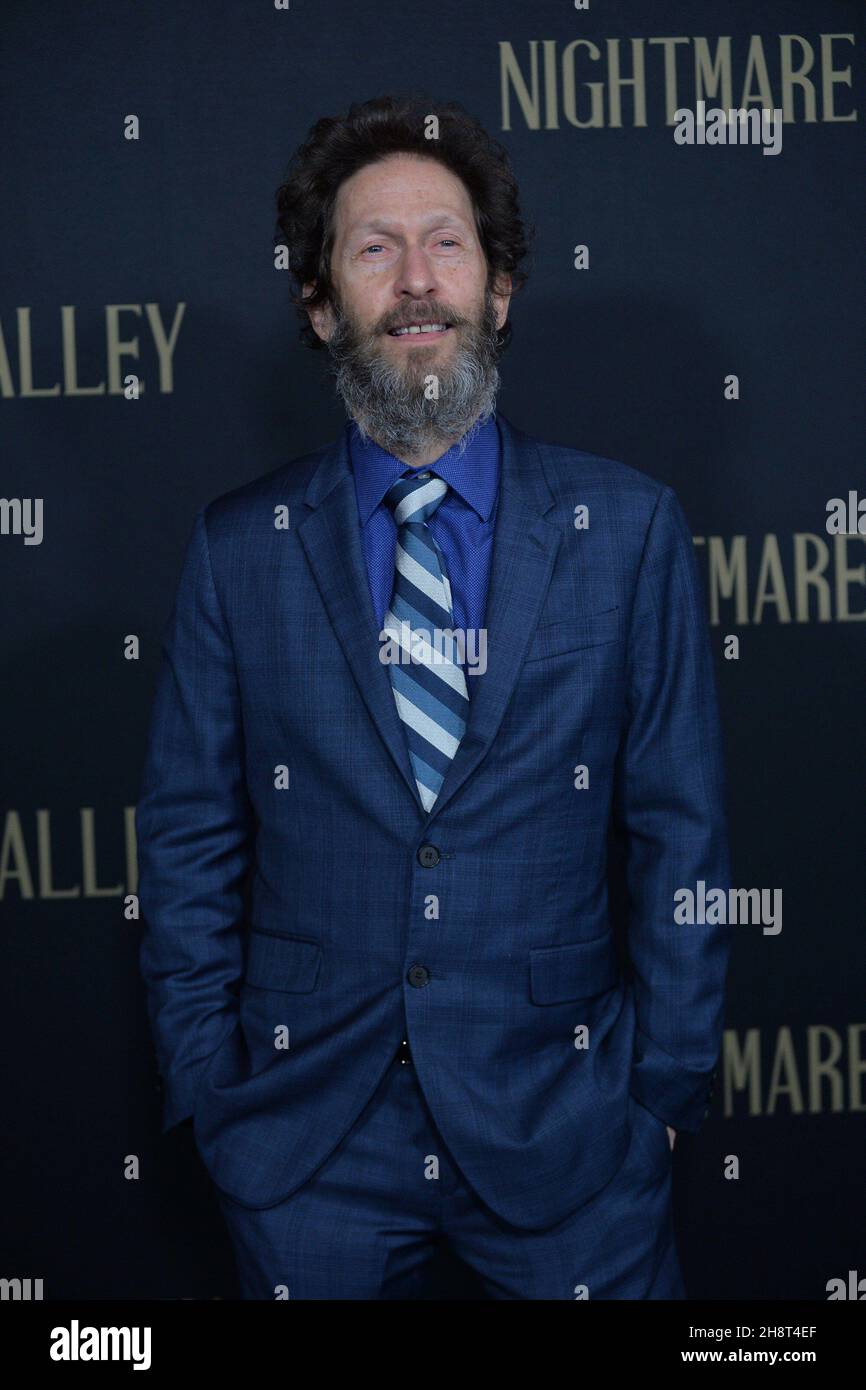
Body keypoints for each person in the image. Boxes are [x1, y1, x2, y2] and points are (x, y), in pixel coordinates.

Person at [136, 94, 730, 1300]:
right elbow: (190, 843)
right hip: (308, 1143)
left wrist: (659, 1092)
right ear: (319, 302)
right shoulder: (238, 549)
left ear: (499, 289)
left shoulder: (624, 529)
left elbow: (680, 832)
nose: (416, 282)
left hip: (567, 1132)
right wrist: (213, 1091)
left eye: (446, 244)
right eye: (372, 248)